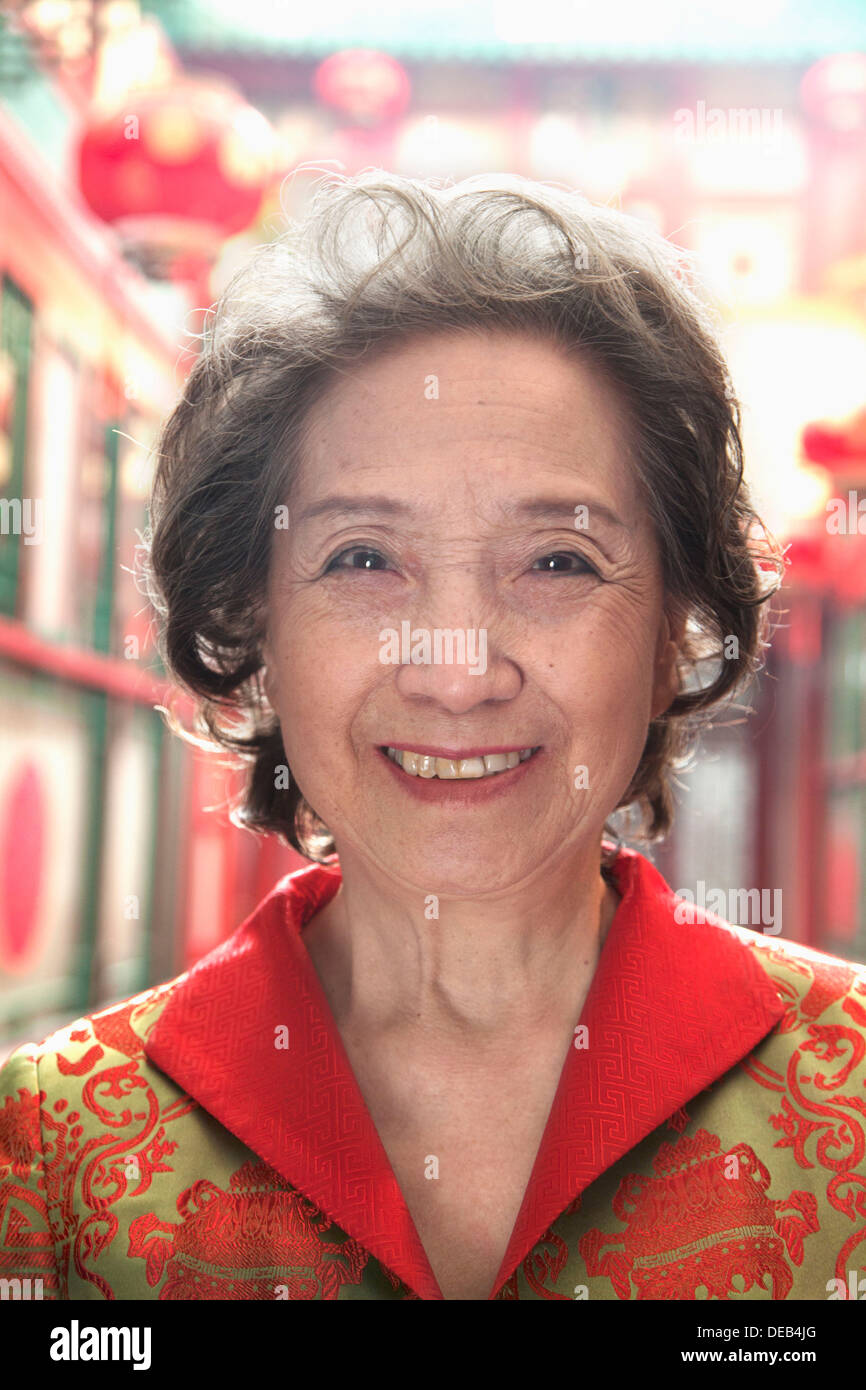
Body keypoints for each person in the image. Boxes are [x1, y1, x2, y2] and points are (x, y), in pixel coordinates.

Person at [2, 171, 864, 1302]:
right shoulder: (57, 1155)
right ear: (255, 620)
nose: (457, 670)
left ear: (669, 632)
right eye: (362, 559)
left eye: (557, 562)